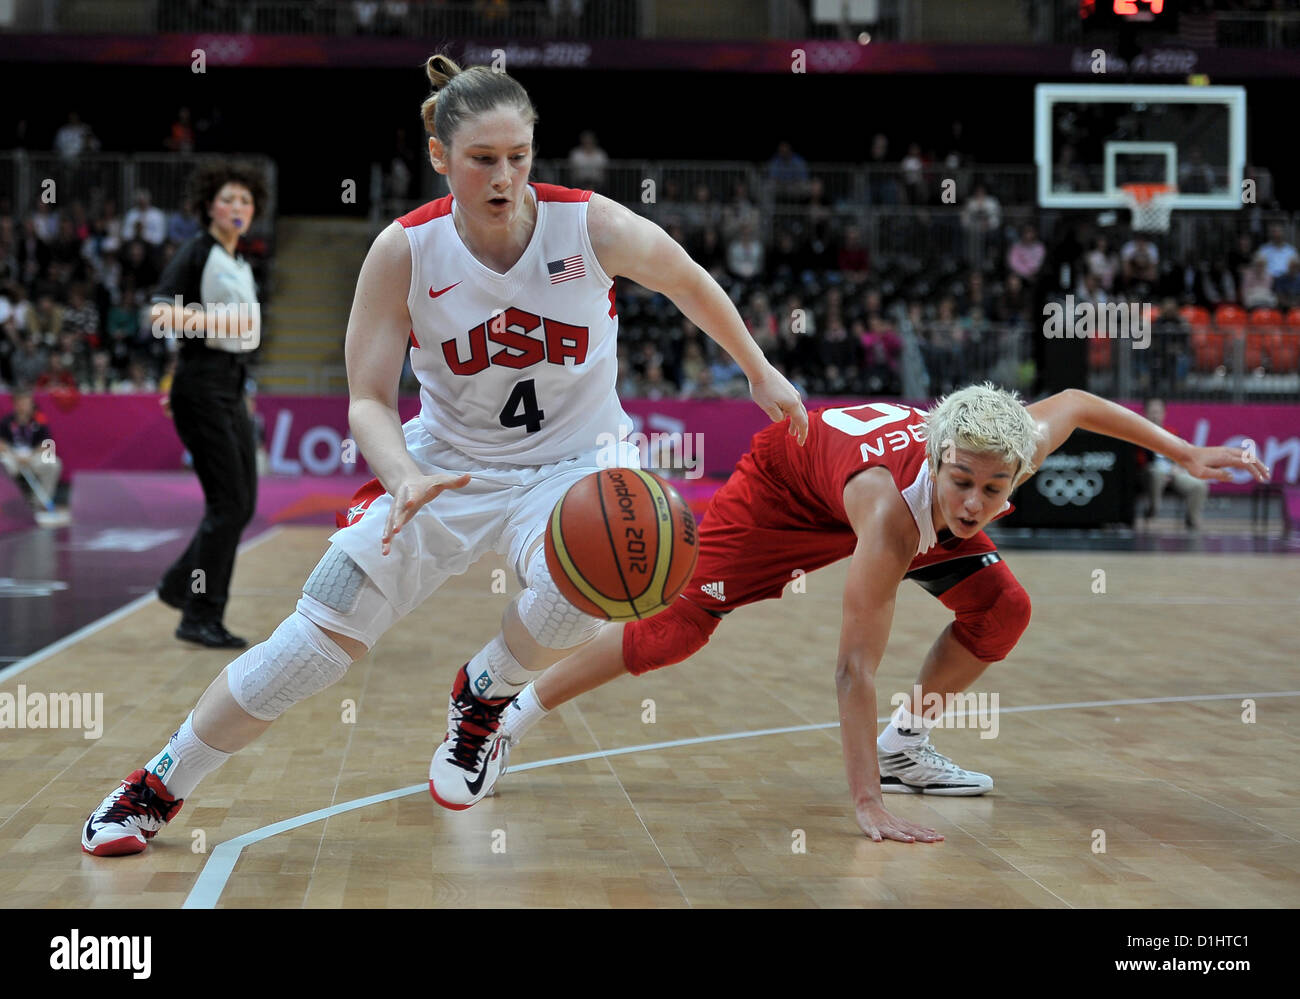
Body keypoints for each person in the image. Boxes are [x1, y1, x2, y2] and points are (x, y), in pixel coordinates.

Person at [81, 53, 805, 856]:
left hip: (579, 460)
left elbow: (689, 279)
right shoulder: (404, 251)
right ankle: (156, 784)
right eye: (483, 159)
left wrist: (759, 368)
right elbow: (367, 398)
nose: (506, 176)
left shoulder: (588, 223)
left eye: (520, 157)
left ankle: (485, 695)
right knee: (311, 643)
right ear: (439, 158)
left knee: (600, 578)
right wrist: (402, 475)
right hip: (442, 463)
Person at [478, 384, 1269, 842]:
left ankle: (906, 744)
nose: (975, 500)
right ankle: (512, 715)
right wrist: (864, 806)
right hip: (785, 488)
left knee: (1002, 608)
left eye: (993, 490)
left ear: (1016, 474)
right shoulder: (893, 517)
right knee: (676, 629)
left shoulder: (1009, 447)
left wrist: (1182, 453)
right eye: (962, 480)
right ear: (937, 458)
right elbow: (852, 666)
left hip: (872, 496)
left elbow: (1077, 401)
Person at [151, 161, 267, 648]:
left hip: (230, 384)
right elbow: (159, 314)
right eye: (228, 199)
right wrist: (220, 324)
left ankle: (181, 584)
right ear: (207, 207)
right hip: (200, 382)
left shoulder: (240, 260)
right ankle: (199, 613)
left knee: (242, 503)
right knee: (228, 503)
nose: (237, 207)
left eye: (245, 200)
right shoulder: (197, 252)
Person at [1138, 397, 1209, 530]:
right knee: (1157, 473)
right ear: (1145, 413)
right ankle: (1152, 512)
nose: (1155, 415)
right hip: (1150, 472)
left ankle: (1192, 520)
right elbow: (1139, 461)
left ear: (1164, 414)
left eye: (1158, 412)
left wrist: (1177, 468)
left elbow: (1182, 456)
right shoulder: (1138, 434)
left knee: (1199, 485)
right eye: (1152, 412)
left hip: (1172, 471)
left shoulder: (1172, 433)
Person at [0, 387, 63, 510]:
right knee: (2, 465)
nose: (23, 406)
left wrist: (30, 457)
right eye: (20, 402)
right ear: (15, 404)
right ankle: (6, 503)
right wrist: (13, 454)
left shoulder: (39, 421)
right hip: (12, 457)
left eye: (26, 402)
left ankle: (40, 503)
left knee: (54, 464)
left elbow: (46, 443)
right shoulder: (6, 421)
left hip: (32, 457)